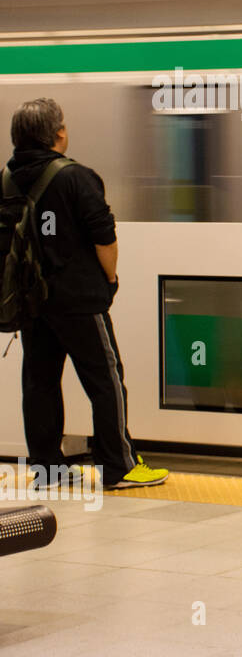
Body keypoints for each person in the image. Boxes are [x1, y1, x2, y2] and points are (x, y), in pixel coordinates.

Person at [5, 98, 168, 490]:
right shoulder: (75, 177)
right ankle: (120, 466)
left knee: (39, 381)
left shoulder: (7, 179)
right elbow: (104, 237)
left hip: (31, 300)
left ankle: (47, 468)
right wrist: (109, 280)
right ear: (58, 133)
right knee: (105, 379)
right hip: (78, 298)